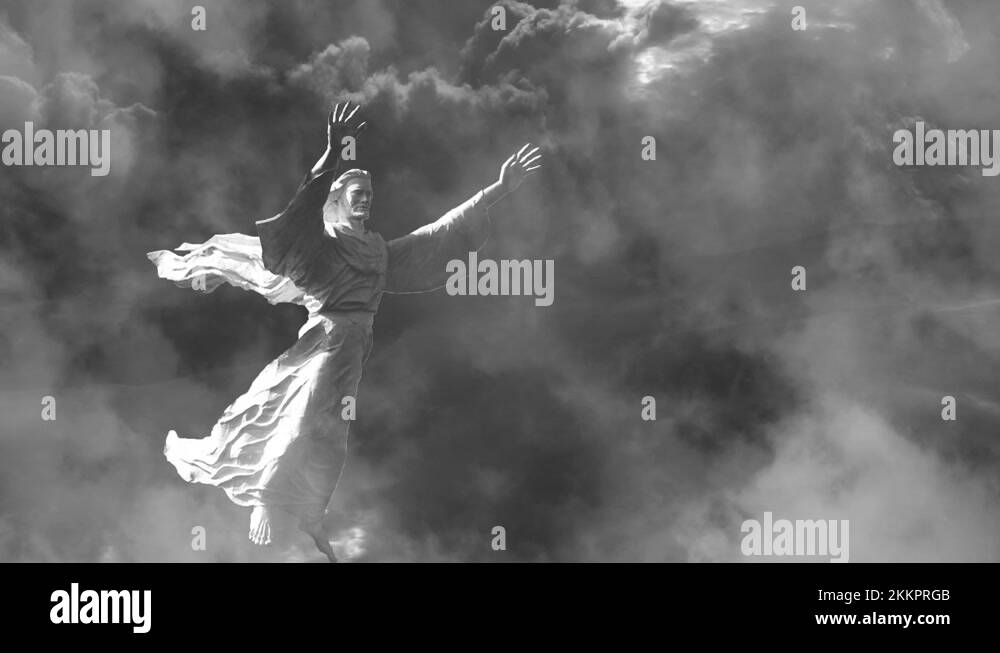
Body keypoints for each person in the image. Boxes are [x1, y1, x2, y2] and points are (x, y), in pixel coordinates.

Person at [148, 103, 542, 561]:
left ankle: (310, 511)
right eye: (356, 192)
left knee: (332, 434)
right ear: (341, 199)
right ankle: (267, 497)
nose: (365, 199)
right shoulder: (325, 244)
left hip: (355, 347)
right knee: (299, 417)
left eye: (369, 194)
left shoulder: (378, 249)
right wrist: (333, 151)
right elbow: (304, 207)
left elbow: (438, 235)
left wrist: (497, 190)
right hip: (327, 339)